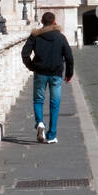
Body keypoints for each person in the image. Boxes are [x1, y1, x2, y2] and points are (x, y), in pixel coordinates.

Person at [21, 11, 74, 144]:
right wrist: (69, 74)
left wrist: (32, 66)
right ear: (54, 22)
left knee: (38, 100)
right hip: (56, 74)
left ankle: (40, 122)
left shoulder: (35, 36)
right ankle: (51, 135)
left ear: (42, 23)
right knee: (54, 103)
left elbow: (25, 53)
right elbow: (69, 57)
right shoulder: (60, 37)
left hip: (40, 72)